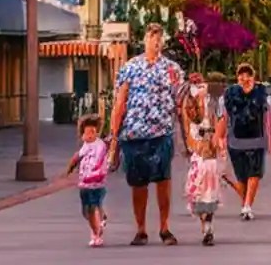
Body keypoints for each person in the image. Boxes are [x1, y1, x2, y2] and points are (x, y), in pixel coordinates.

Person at [107, 23, 186, 246]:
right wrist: (114, 138)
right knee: (138, 183)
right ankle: (141, 229)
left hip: (161, 132)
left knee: (163, 180)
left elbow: (181, 102)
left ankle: (164, 227)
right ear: (144, 39)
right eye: (152, 36)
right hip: (134, 133)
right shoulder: (130, 67)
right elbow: (120, 102)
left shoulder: (172, 69)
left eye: (159, 37)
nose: (156, 41)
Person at [219, 62, 271, 220]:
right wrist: (219, 138)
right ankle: (245, 204)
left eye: (248, 75)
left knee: (254, 173)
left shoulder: (261, 91)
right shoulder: (230, 92)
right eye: (241, 75)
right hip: (236, 139)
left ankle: (247, 205)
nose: (245, 78)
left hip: (256, 138)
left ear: (253, 77)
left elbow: (265, 110)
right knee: (241, 176)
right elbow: (227, 114)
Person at [183, 74, 223, 246]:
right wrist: (194, 144)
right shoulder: (189, 107)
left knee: (211, 191)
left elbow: (219, 122)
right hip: (198, 155)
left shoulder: (212, 104)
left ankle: (208, 225)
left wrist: (217, 139)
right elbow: (188, 131)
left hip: (211, 155)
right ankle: (204, 223)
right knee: (198, 191)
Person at [66, 113, 108, 247]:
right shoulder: (84, 146)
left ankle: (96, 234)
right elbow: (76, 157)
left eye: (93, 132)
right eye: (87, 132)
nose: (90, 135)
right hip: (84, 184)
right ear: (82, 134)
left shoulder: (100, 145)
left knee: (95, 205)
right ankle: (100, 220)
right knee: (86, 210)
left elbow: (101, 157)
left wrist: (97, 170)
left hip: (97, 182)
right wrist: (70, 168)